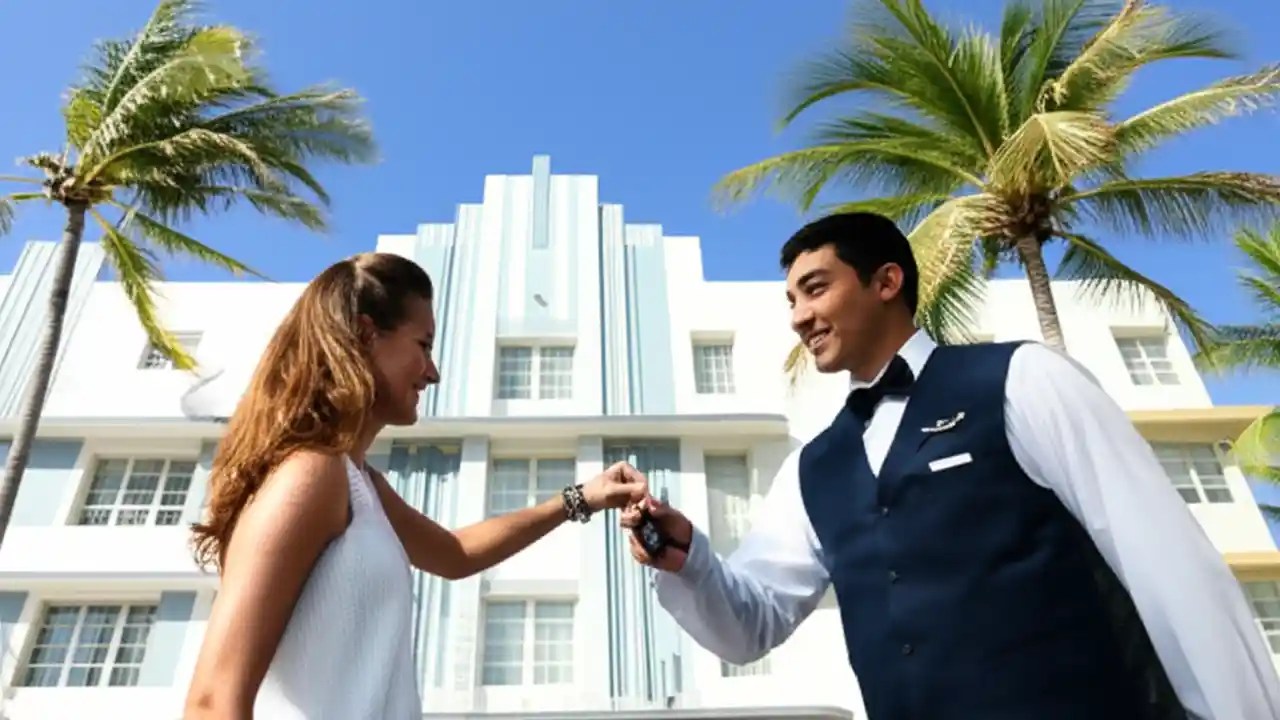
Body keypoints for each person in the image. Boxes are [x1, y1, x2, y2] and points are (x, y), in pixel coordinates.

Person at [621, 212, 1280, 720]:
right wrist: (691, 562)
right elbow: (749, 626)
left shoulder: (1024, 378)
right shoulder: (811, 468)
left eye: (814, 289)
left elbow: (1166, 563)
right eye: (790, 301)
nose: (799, 318)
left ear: (886, 281)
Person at [183, 252, 646, 720]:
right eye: (423, 345)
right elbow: (213, 700)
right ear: (366, 335)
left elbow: (455, 553)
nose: (433, 372)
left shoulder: (360, 484)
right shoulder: (312, 475)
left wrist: (582, 498)